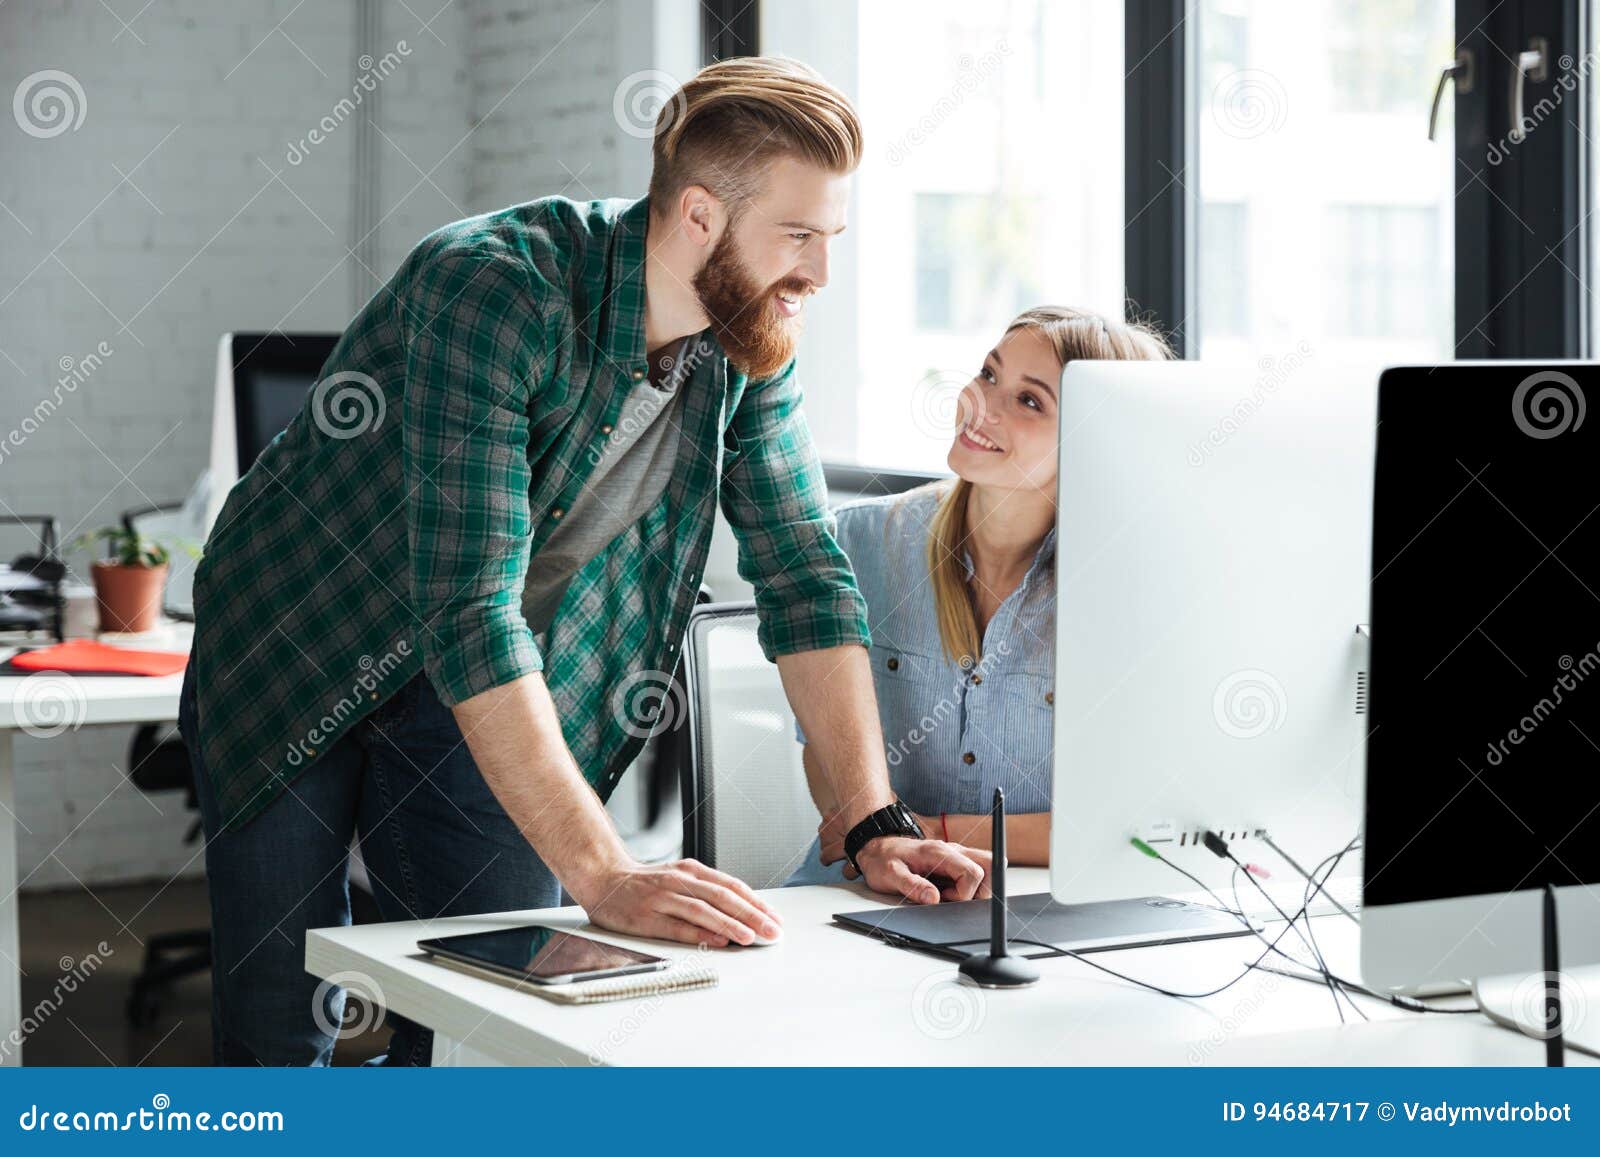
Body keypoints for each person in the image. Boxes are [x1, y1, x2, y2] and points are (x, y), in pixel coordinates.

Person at [181, 56, 990, 1067]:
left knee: (489, 1020)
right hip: (299, 637)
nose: (820, 274)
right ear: (699, 215)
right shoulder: (493, 285)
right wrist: (605, 874)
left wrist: (870, 818)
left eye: (832, 237)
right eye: (797, 236)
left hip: (480, 677)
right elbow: (470, 608)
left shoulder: (750, 337)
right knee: (282, 1016)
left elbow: (804, 576)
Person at [788, 306, 1171, 885]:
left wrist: (927, 834)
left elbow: (1131, 825)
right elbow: (823, 748)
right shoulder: (861, 541)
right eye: (989, 374)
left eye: (1029, 401)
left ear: (1094, 443)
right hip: (862, 889)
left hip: (1035, 903)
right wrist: (885, 841)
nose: (981, 406)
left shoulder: (1123, 590)